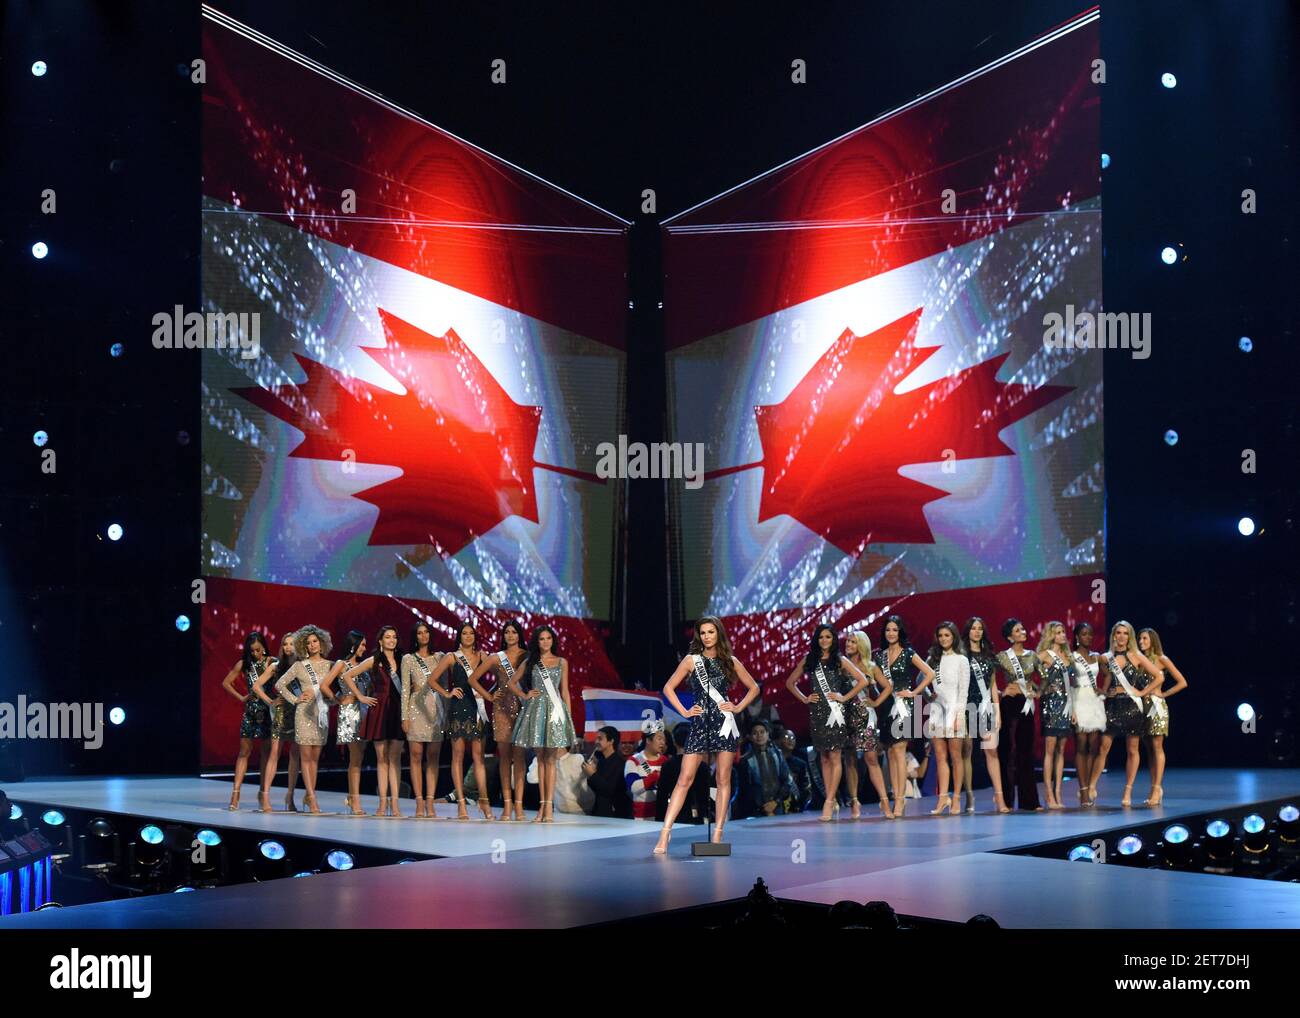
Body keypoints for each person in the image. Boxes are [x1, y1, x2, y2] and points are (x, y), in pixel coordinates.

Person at [654, 616, 760, 853]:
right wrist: (684, 711)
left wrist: (738, 706)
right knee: (684, 779)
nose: (706, 636)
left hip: (723, 723)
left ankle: (718, 835)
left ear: (718, 634)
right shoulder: (692, 660)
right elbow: (668, 688)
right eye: (703, 633)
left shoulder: (729, 661)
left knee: (723, 779)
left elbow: (754, 687)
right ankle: (665, 834)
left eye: (711, 632)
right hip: (701, 723)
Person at [785, 624, 871, 822]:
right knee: (823, 757)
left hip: (836, 714)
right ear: (817, 639)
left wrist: (844, 697)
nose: (824, 640)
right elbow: (790, 683)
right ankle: (830, 798)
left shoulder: (839, 660)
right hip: (818, 713)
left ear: (833, 640)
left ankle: (829, 801)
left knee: (835, 756)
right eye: (821, 637)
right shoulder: (810, 659)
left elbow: (862, 680)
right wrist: (805, 698)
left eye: (828, 637)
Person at [424, 623, 494, 820]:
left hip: (477, 708)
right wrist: (447, 693)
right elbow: (432, 680)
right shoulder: (451, 657)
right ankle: (461, 803)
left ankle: (484, 801)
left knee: (478, 757)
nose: (468, 636)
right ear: (459, 636)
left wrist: (490, 695)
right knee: (458, 756)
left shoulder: (483, 656)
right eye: (465, 633)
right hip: (458, 707)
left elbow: (500, 674)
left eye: (471, 633)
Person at [511, 625, 579, 822]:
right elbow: (511, 683)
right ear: (537, 641)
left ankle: (548, 808)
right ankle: (542, 808)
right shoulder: (531, 661)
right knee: (540, 759)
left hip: (555, 711)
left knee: (551, 759)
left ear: (553, 640)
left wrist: (568, 716)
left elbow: (564, 690)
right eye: (542, 639)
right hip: (537, 710)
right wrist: (525, 695)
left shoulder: (561, 662)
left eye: (549, 638)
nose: (546, 642)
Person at [873, 615, 936, 818]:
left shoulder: (908, 653)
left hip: (905, 706)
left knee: (900, 751)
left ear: (900, 632)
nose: (891, 633)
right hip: (887, 706)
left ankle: (900, 800)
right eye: (888, 630)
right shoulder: (879, 656)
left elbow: (929, 673)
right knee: (891, 752)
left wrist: (914, 692)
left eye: (895, 630)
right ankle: (895, 795)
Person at [1096, 620, 1162, 807]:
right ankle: (1092, 786)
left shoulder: (1136, 655)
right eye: (1119, 633)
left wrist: (1141, 692)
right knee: (1103, 746)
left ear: (1129, 636)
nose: (1122, 636)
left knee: (1132, 750)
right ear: (1114, 635)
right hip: (1114, 706)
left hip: (1133, 706)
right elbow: (1104, 677)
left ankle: (1127, 792)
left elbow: (1159, 676)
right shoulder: (1106, 657)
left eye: (1125, 633)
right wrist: (1106, 691)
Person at [342, 625, 406, 817]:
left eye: (394, 637)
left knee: (395, 759)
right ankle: (381, 804)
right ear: (380, 641)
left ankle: (394, 805)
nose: (391, 640)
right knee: (381, 758)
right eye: (388, 637)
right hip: (379, 710)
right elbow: (347, 675)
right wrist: (361, 697)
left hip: (397, 710)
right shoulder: (373, 660)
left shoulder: (403, 660)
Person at [468, 620, 528, 821]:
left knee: (519, 758)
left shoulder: (527, 656)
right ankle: (507, 807)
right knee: (504, 757)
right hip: (502, 709)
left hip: (522, 707)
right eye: (507, 632)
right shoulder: (496, 658)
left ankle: (519, 807)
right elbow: (473, 678)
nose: (510, 636)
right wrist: (489, 696)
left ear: (519, 635)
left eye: (514, 632)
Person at [274, 625, 336, 815]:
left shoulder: (330, 665)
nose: (312, 645)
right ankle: (312, 798)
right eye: (308, 643)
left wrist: (332, 700)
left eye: (315, 641)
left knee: (315, 759)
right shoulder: (299, 665)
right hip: (303, 715)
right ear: (304, 646)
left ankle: (310, 796)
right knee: (305, 758)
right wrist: (295, 699)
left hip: (321, 714)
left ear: (322, 642)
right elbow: (279, 684)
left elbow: (335, 691)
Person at [959, 616, 1008, 813]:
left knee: (992, 750)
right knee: (968, 752)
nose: (977, 631)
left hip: (986, 707)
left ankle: (1000, 798)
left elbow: (993, 685)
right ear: (967, 632)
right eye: (973, 628)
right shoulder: (962, 655)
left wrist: (997, 712)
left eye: (980, 628)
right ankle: (969, 796)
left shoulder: (989, 655)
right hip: (968, 706)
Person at [842, 631, 893, 818]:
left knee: (871, 758)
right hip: (845, 715)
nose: (848, 644)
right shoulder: (841, 665)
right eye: (847, 641)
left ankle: (884, 802)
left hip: (865, 715)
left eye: (853, 642)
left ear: (861, 645)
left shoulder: (870, 666)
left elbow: (887, 687)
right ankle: (854, 802)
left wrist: (876, 702)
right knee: (850, 759)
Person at [319, 630, 369, 816]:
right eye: (362, 645)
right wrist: (337, 699)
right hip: (350, 712)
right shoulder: (342, 664)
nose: (365, 648)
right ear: (353, 645)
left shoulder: (364, 665)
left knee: (360, 757)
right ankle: (354, 800)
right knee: (355, 757)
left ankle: (352, 797)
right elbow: (325, 685)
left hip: (364, 712)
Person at [1138, 627, 1187, 807]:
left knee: (1157, 747)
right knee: (1149, 748)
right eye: (1140, 639)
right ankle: (1154, 788)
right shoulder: (1139, 660)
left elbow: (1182, 682)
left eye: (1144, 638)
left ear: (1152, 640)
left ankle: (1157, 788)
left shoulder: (1161, 659)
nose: (1141, 641)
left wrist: (1165, 694)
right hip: (1142, 708)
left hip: (1157, 708)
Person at [221, 631, 271, 811]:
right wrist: (241, 697)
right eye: (252, 651)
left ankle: (263, 793)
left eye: (258, 650)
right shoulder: (244, 664)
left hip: (267, 712)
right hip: (250, 712)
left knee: (266, 754)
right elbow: (226, 683)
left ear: (264, 647)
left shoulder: (271, 662)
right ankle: (235, 793)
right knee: (244, 752)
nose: (255, 654)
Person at [400, 621, 445, 818]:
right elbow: (404, 690)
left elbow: (443, 685)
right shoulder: (408, 658)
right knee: (416, 755)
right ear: (415, 636)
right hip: (415, 707)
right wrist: (404, 716)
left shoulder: (439, 657)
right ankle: (419, 801)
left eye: (427, 632)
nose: (424, 636)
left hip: (436, 707)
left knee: (433, 756)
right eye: (420, 633)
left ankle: (430, 800)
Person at [925, 621, 971, 816]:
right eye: (941, 635)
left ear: (954, 637)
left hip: (955, 711)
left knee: (956, 757)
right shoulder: (932, 659)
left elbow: (964, 691)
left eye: (947, 635)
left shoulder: (961, 660)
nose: (944, 639)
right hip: (937, 712)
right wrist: (929, 696)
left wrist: (959, 716)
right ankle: (943, 798)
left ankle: (957, 798)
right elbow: (921, 682)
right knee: (940, 756)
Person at [996, 618, 1042, 811]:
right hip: (1009, 704)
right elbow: (986, 682)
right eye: (1017, 630)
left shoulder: (1033, 656)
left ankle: (1029, 801)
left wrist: (1037, 691)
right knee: (1007, 751)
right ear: (1009, 636)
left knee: (1026, 752)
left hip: (1027, 705)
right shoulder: (1001, 657)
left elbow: (1046, 679)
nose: (1023, 631)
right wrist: (1001, 692)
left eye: (1023, 628)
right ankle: (1006, 800)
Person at [254, 632, 301, 812]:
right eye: (285, 644)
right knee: (275, 753)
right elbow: (256, 686)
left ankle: (290, 797)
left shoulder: (302, 666)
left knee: (295, 755)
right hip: (281, 713)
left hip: (298, 712)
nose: (288, 647)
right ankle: (265, 796)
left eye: (291, 644)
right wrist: (270, 701)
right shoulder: (275, 666)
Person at [1035, 621, 1074, 810]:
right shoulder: (1043, 655)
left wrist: (1073, 709)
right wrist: (1038, 690)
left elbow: (1072, 685)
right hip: (1050, 705)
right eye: (1058, 632)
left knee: (1061, 749)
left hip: (1066, 705)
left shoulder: (1068, 657)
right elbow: (1029, 675)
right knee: (1049, 749)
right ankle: (1048, 793)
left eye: (1063, 632)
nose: (1062, 635)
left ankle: (1058, 791)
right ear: (1051, 635)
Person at [1069, 622, 1106, 807]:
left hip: (1094, 701)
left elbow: (1107, 675)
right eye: (1084, 634)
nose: (1088, 637)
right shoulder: (1072, 657)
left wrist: (1104, 691)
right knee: (1081, 745)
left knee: (1094, 746)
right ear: (1077, 637)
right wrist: (1071, 708)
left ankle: (1090, 786)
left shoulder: (1096, 657)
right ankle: (1083, 790)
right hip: (1078, 699)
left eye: (1090, 634)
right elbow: (1068, 682)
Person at [736, 719, 795, 818]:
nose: (759, 735)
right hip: (755, 812)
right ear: (750, 737)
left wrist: (775, 802)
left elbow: (787, 781)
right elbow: (746, 789)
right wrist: (764, 807)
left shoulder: (778, 754)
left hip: (777, 807)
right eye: (755, 733)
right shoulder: (745, 760)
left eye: (762, 732)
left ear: (768, 734)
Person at [584, 725, 633, 818]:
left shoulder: (621, 764)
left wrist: (592, 774)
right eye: (596, 739)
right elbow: (596, 789)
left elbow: (610, 790)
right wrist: (589, 774)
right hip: (599, 813)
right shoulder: (600, 761)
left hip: (615, 816)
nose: (596, 742)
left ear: (611, 741)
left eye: (600, 739)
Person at [625, 719, 669, 820]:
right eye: (659, 739)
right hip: (639, 818)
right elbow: (633, 787)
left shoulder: (666, 761)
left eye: (664, 740)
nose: (662, 743)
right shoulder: (633, 761)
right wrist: (655, 776)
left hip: (662, 817)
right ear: (648, 740)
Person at [554, 743, 595, 814]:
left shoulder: (578, 758)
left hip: (579, 810)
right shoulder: (550, 762)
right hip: (558, 812)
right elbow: (532, 779)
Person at [777, 728, 811, 813]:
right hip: (777, 805)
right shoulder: (774, 762)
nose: (790, 740)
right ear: (779, 740)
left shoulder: (800, 764)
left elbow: (806, 788)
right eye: (786, 737)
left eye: (793, 738)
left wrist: (800, 804)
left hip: (796, 807)